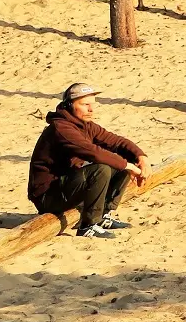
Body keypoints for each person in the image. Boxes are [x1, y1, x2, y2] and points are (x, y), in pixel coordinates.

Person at [27, 83, 147, 239]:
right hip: (48, 196)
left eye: (93, 105)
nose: (91, 110)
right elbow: (94, 153)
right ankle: (88, 225)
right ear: (69, 105)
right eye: (85, 105)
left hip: (67, 185)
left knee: (122, 160)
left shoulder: (86, 125)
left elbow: (116, 142)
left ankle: (103, 214)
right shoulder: (61, 129)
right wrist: (129, 167)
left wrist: (141, 157)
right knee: (102, 168)